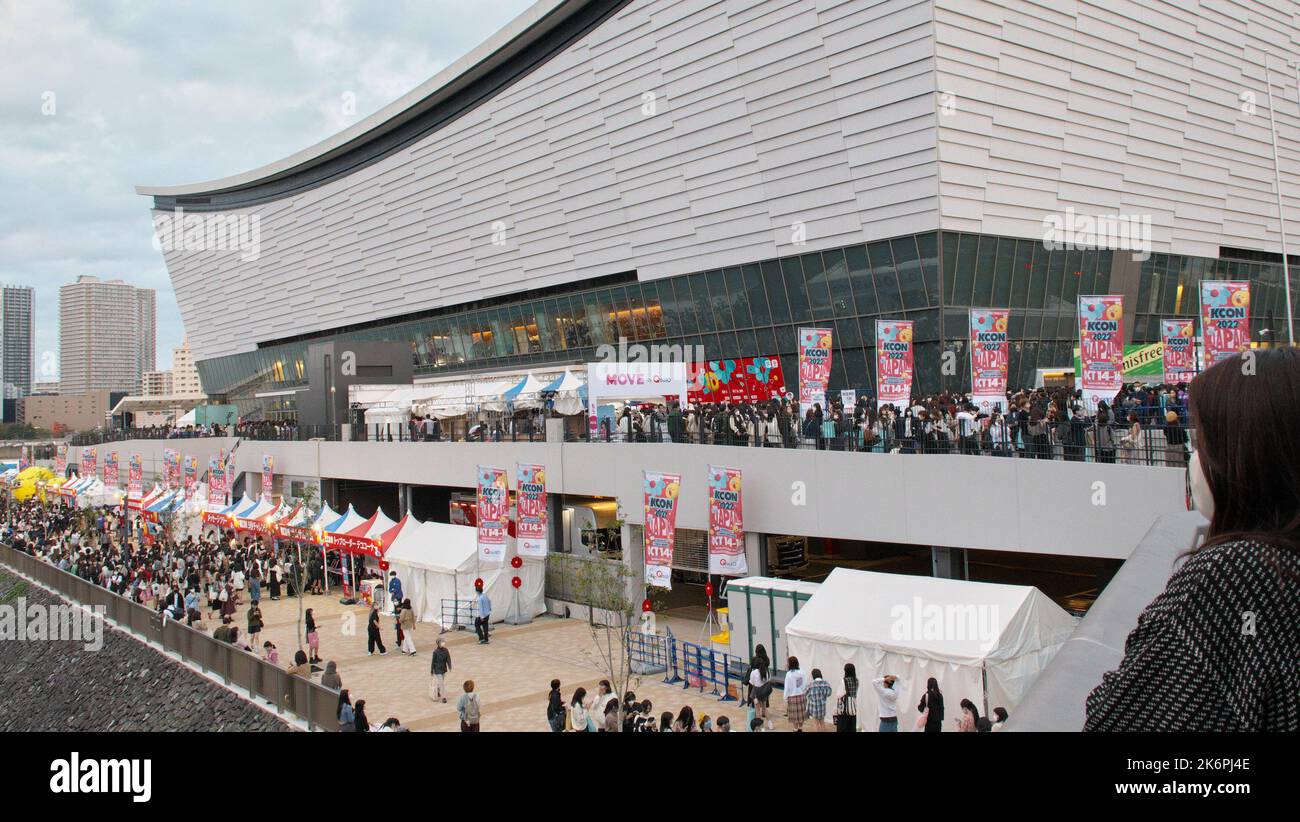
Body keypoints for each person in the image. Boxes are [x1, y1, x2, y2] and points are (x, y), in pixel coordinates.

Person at [1086, 351, 1300, 731]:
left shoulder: (1237, 576)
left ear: (1249, 456)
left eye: (1206, 442)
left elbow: (1118, 719)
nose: (1197, 458)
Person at [783, 656, 808, 731]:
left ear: (790, 664)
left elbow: (787, 688)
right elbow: (805, 684)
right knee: (801, 715)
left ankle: (795, 729)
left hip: (792, 697)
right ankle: (800, 728)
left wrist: (785, 697)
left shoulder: (789, 674)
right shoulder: (802, 672)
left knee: (794, 717)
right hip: (802, 696)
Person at [835, 663, 858, 733]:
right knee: (851, 728)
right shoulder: (856, 680)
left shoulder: (844, 681)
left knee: (843, 728)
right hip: (853, 708)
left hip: (844, 709)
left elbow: (839, 695)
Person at [430, 638, 451, 702]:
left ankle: (438, 690)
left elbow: (448, 658)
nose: (443, 643)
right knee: (441, 683)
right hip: (437, 669)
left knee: (441, 682)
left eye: (443, 642)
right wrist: (431, 670)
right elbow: (433, 661)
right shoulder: (435, 652)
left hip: (443, 669)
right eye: (442, 642)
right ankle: (443, 697)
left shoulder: (446, 650)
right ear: (438, 643)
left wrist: (449, 666)